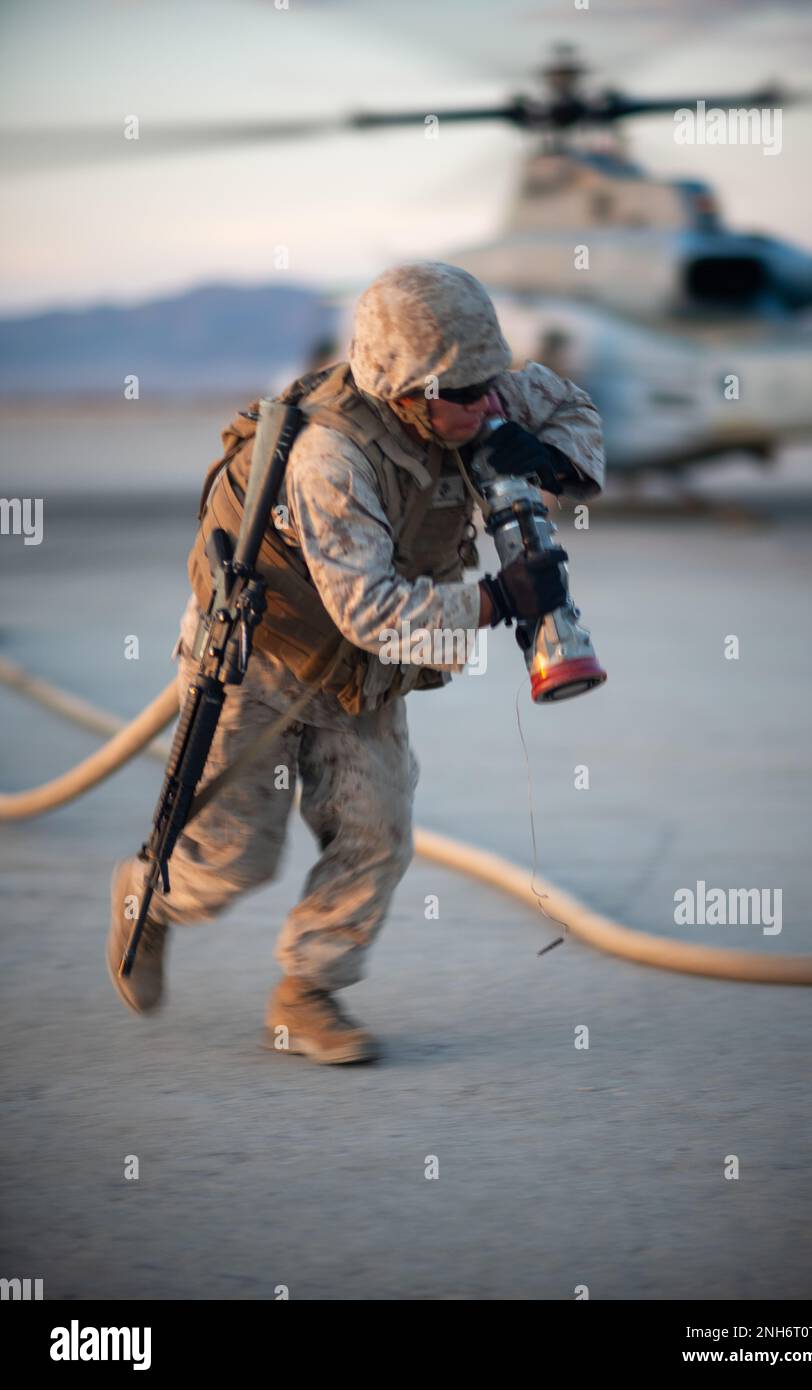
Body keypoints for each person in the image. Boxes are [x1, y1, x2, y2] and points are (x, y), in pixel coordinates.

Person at [106, 261, 605, 1064]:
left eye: (490, 386)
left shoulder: (475, 384)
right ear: (403, 394)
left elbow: (572, 407)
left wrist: (546, 459)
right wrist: (496, 601)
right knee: (233, 860)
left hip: (359, 667)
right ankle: (151, 898)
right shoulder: (329, 459)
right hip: (258, 656)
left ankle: (308, 992)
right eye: (464, 397)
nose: (485, 406)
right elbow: (374, 613)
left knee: (376, 830)